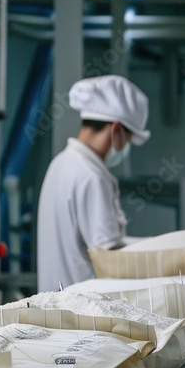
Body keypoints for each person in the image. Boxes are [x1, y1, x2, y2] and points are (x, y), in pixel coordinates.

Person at [37, 74, 150, 292]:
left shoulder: (60, 163)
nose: (126, 147)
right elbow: (110, 259)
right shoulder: (91, 176)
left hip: (56, 305)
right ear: (116, 129)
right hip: (83, 310)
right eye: (128, 138)